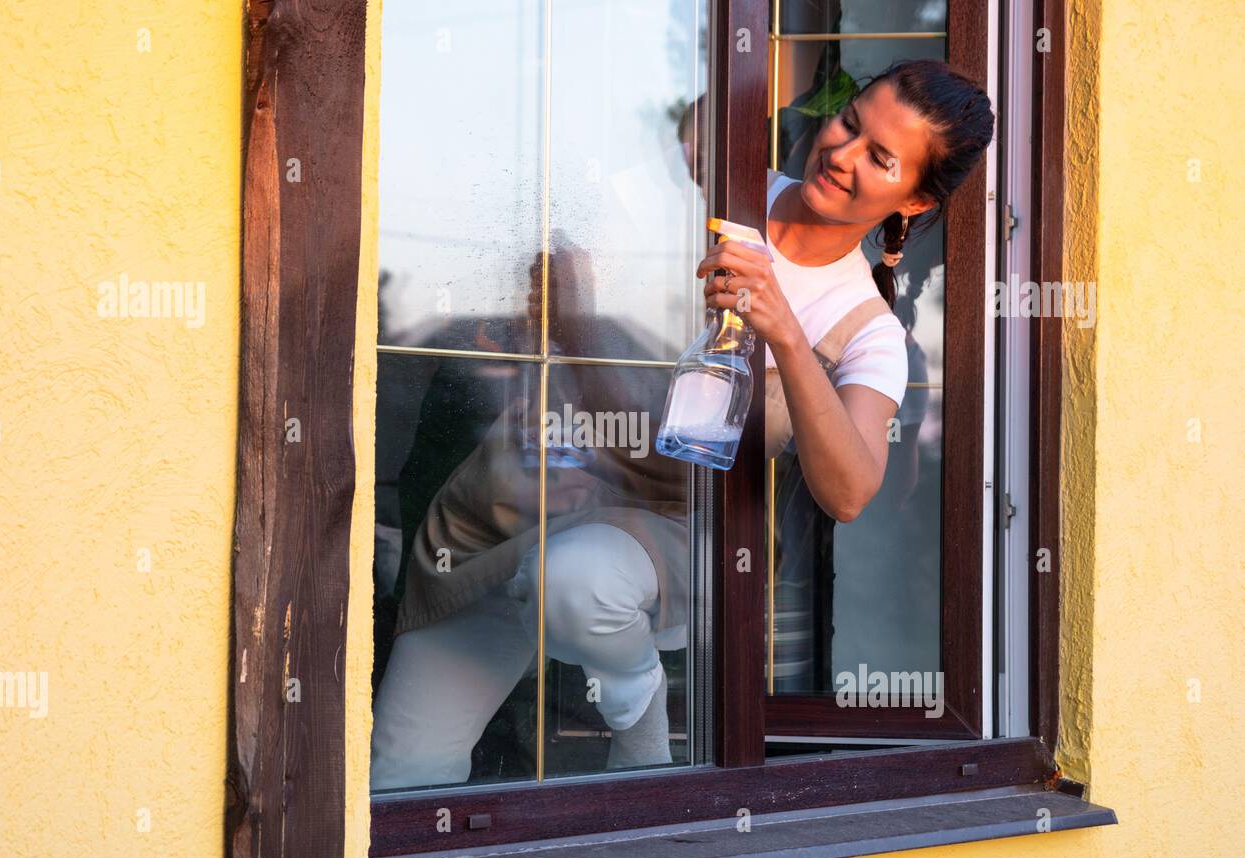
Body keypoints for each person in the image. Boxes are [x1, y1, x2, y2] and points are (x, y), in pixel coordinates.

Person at [370, 59, 995, 791]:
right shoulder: (711, 190)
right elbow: (562, 271)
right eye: (849, 122)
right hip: (519, 501)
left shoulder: (866, 333)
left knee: (575, 582)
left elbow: (851, 490)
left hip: (653, 536)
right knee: (399, 776)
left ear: (915, 198)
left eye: (880, 159)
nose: (843, 154)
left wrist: (784, 331)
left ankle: (639, 731)